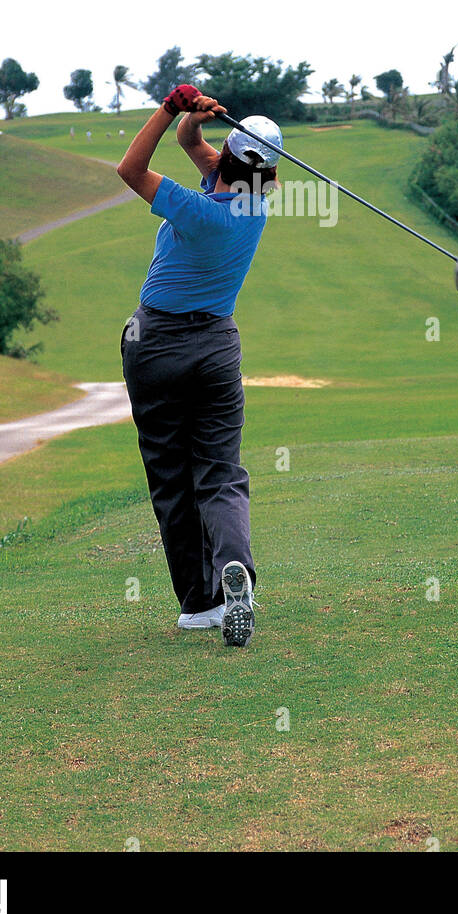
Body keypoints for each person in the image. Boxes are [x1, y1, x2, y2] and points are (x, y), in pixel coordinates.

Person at [117, 84, 283, 647]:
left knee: (169, 469)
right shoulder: (255, 200)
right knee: (220, 470)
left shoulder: (194, 209)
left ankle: (197, 604)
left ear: (232, 155)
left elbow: (130, 169)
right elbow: (197, 147)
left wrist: (168, 109)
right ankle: (235, 569)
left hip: (157, 342)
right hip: (217, 346)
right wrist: (195, 119)